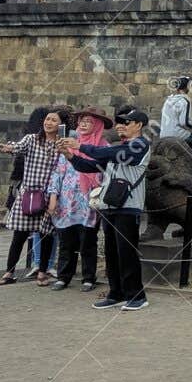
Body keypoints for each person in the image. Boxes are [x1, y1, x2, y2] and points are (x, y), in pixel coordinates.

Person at [60, 108, 151, 311]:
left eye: (126, 122)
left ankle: (137, 295)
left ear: (138, 125)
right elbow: (89, 166)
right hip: (109, 206)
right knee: (112, 253)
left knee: (127, 253)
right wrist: (69, 155)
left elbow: (108, 153)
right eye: (119, 122)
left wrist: (80, 145)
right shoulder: (118, 149)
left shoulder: (140, 145)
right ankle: (116, 293)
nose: (120, 126)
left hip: (128, 207)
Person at [0, 108, 63, 285]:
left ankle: (42, 272)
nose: (48, 123)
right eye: (47, 119)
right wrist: (9, 148)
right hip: (29, 195)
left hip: (49, 196)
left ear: (61, 125)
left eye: (53, 120)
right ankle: (9, 273)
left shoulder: (62, 145)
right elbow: (18, 147)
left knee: (46, 235)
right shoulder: (32, 139)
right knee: (19, 235)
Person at [45, 137, 98, 292]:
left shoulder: (101, 146)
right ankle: (63, 276)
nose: (84, 125)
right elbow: (57, 174)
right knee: (66, 242)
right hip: (66, 204)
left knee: (87, 242)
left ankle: (88, 278)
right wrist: (53, 198)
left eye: (88, 123)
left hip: (89, 204)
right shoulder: (69, 146)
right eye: (81, 124)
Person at [159, 77, 192, 155]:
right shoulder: (184, 101)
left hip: (163, 133)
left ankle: (181, 155)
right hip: (175, 133)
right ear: (187, 87)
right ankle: (189, 160)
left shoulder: (168, 100)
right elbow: (184, 123)